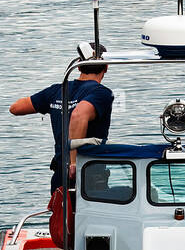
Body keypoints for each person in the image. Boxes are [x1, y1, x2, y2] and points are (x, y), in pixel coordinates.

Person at [9, 61, 113, 192]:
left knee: (62, 211)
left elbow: (15, 108)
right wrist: (74, 162)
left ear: (79, 67)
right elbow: (78, 115)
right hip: (88, 172)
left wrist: (53, 104)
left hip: (60, 173)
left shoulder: (57, 91)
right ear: (106, 67)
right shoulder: (101, 93)